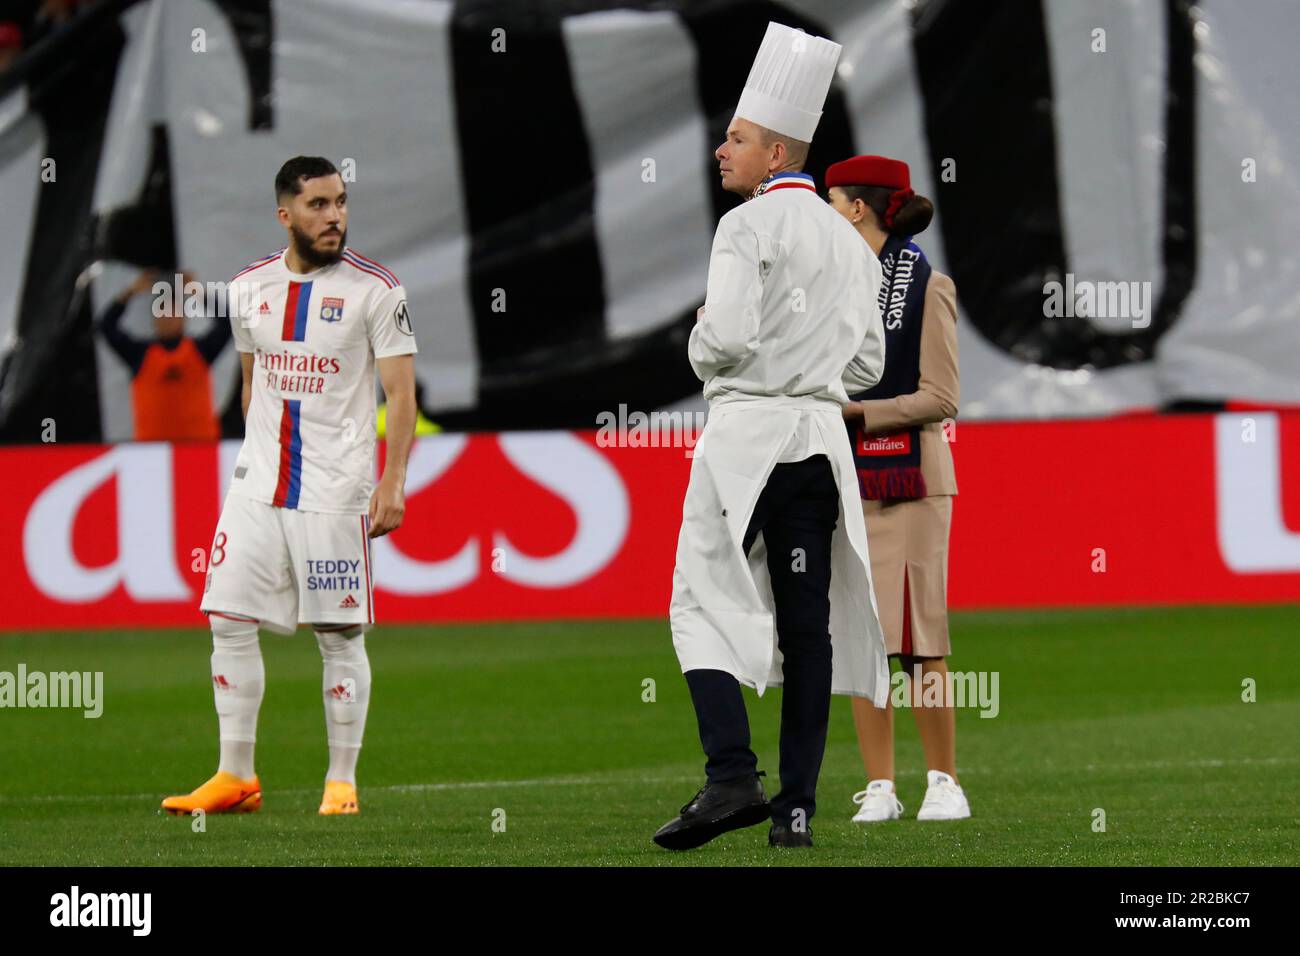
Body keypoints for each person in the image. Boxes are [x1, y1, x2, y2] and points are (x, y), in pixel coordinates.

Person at [654, 22, 890, 851]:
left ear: (778, 149)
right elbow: (869, 364)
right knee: (807, 628)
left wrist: (702, 334)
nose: (723, 150)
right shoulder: (851, 241)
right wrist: (812, 370)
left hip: (748, 434)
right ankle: (795, 808)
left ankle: (729, 777)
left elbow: (725, 340)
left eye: (738, 138)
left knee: (697, 600)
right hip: (821, 444)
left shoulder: (745, 229)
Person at [162, 156, 418, 817]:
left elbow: (400, 392)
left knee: (336, 635)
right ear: (286, 215)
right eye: (318, 205)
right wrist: (253, 456)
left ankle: (341, 782)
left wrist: (392, 480)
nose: (334, 215)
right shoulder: (248, 287)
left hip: (333, 489)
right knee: (227, 619)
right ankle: (236, 776)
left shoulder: (378, 290)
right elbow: (252, 382)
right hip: (256, 485)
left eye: (340, 202)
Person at [827, 154, 970, 822]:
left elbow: (941, 397)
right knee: (862, 634)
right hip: (848, 477)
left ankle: (944, 782)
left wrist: (858, 414)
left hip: (913, 478)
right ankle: (880, 786)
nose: (824, 212)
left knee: (920, 637)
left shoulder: (928, 284)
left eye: (832, 200)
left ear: (857, 206)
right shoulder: (828, 287)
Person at [95, 268, 230, 441]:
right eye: (161, 313)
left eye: (171, 312)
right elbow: (106, 327)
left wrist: (198, 292)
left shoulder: (200, 350)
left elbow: (227, 323)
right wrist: (129, 293)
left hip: (200, 450)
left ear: (183, 317)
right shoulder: (140, 354)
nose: (166, 318)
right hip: (153, 453)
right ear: (154, 320)